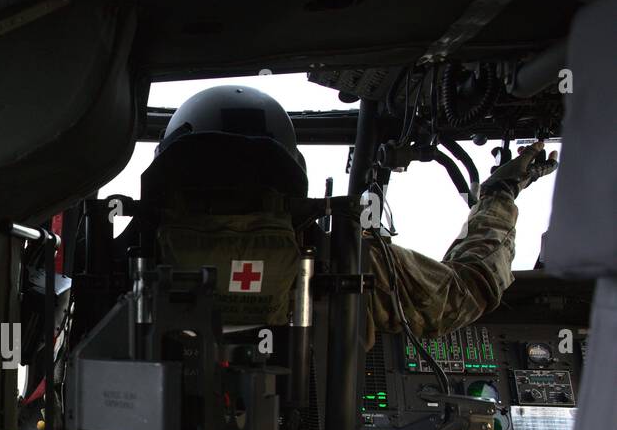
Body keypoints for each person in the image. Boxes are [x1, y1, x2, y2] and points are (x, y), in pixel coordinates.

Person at [133, 84, 558, 343]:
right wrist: (501, 193)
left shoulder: (126, 259)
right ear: (288, 174)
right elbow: (468, 290)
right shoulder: (343, 256)